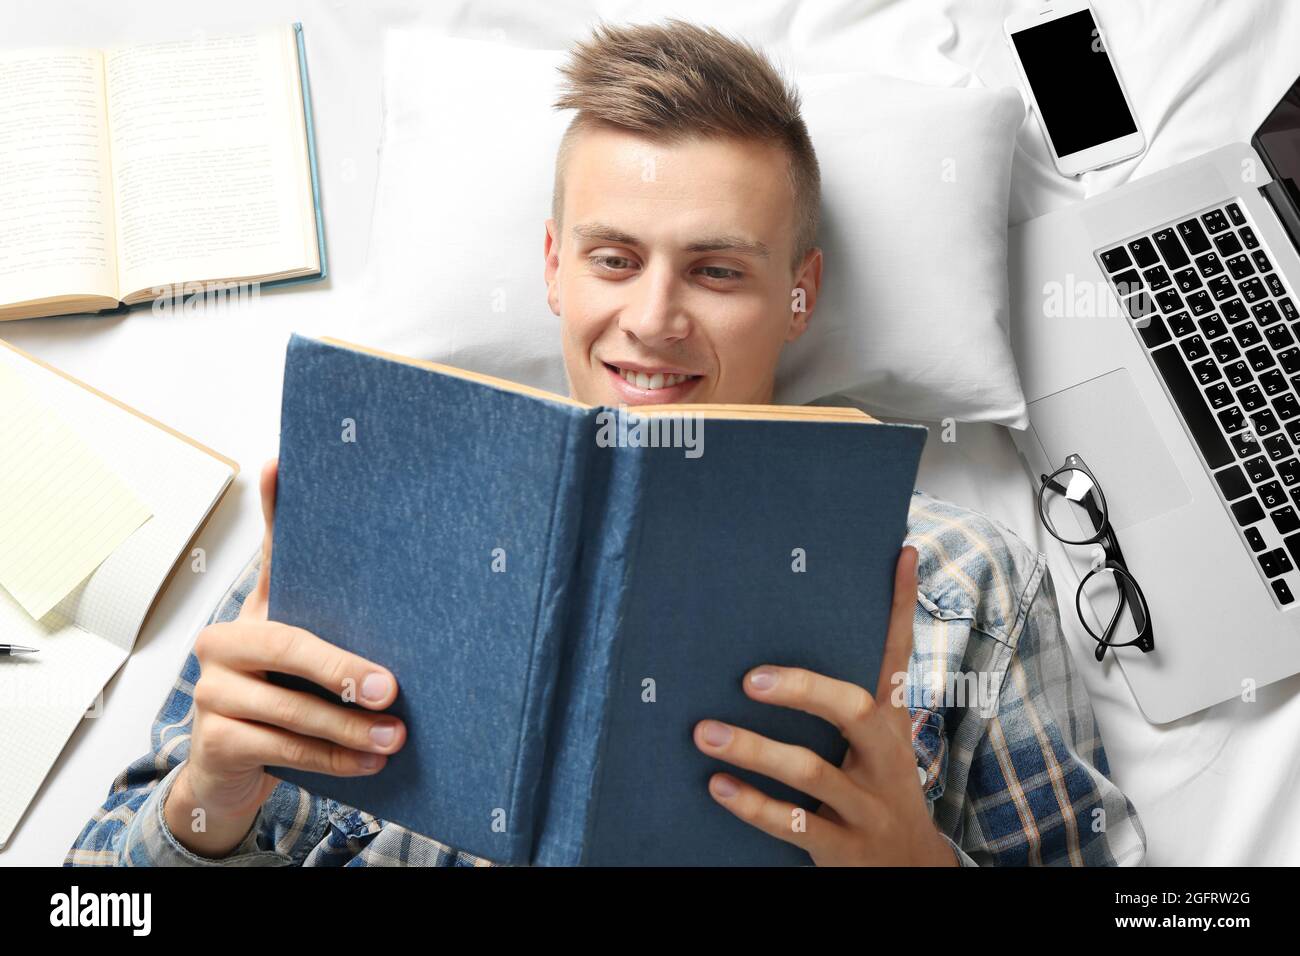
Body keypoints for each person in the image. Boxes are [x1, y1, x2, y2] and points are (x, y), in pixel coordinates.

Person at [67, 19, 1145, 867]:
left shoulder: (964, 575)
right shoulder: (356, 506)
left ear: (800, 293)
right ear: (550, 268)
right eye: (614, 259)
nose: (655, 318)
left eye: (717, 269)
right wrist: (208, 793)